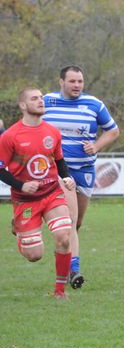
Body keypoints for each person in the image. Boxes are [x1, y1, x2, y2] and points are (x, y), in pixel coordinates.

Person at [42, 64, 120, 288]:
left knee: (76, 223)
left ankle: (64, 251)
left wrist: (96, 146)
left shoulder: (94, 104)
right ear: (61, 82)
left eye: (80, 81)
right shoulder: (47, 102)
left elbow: (113, 130)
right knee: (69, 220)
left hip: (84, 170)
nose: (77, 85)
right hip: (58, 171)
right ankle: (73, 269)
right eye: (72, 81)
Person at [0, 88, 77, 298]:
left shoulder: (52, 132)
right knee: (34, 255)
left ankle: (59, 291)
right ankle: (19, 229)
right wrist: (20, 185)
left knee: (64, 237)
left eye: (41, 97)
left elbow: (59, 160)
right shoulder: (10, 136)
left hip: (52, 193)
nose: (41, 101)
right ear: (23, 105)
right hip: (25, 200)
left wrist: (66, 177)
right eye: (34, 98)